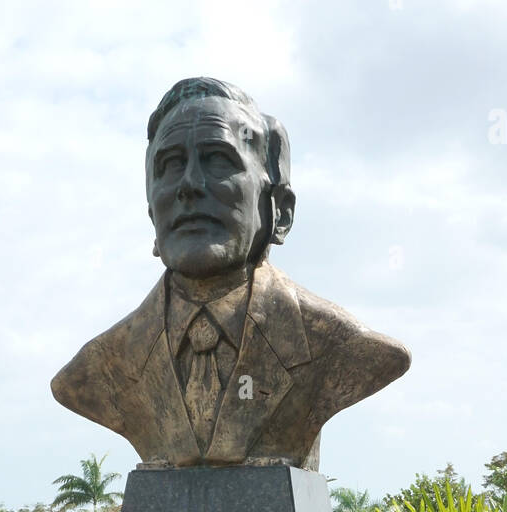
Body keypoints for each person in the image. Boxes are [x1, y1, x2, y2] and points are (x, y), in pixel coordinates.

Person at [51, 77, 410, 469]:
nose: (189, 185)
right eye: (170, 165)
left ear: (281, 212)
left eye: (219, 160)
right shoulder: (100, 368)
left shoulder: (341, 347)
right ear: (152, 211)